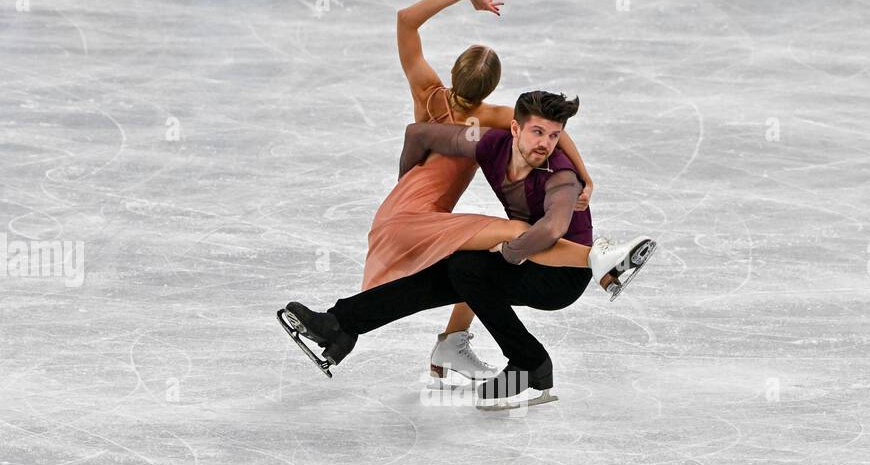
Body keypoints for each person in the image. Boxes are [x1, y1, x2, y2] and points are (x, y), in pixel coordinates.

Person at [280, 90, 655, 409]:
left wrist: (508, 253)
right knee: (455, 270)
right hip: (524, 255)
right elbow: (419, 134)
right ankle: (340, 325)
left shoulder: (560, 176)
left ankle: (531, 360)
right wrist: (404, 198)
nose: (545, 144)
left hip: (561, 276)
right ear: (514, 129)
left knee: (464, 270)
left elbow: (554, 228)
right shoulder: (489, 144)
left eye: (554, 136)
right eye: (538, 132)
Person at [356, 0, 650, 381]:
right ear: (492, 90)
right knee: (511, 240)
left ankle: (451, 343)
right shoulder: (488, 116)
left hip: (406, 203)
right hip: (427, 215)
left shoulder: (426, 93)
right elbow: (553, 131)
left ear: (454, 68)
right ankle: (601, 261)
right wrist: (585, 174)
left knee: (475, 264)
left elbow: (405, 20)